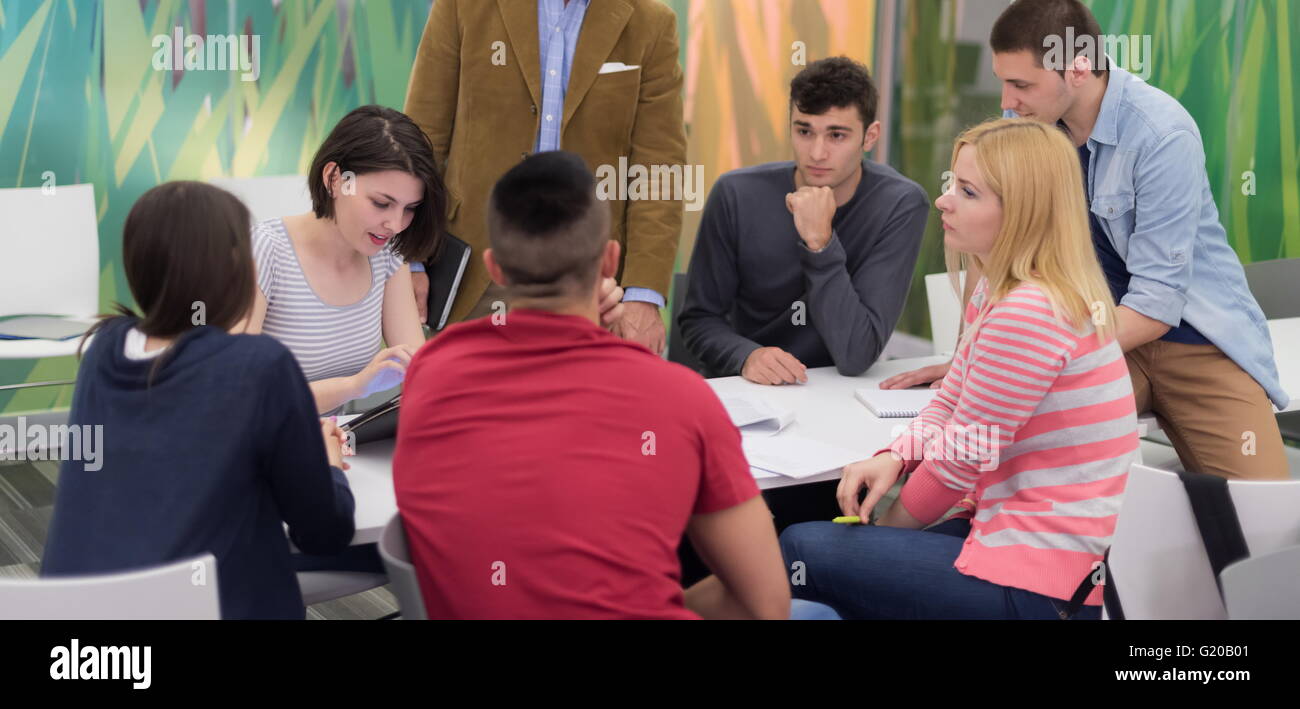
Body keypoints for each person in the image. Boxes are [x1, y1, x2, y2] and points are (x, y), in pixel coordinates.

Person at [393, 151, 818, 619]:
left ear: (495, 268)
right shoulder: (680, 397)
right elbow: (767, 604)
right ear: (611, 260)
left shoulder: (431, 372)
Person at [886, 0, 1289, 480]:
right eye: (1004, 83)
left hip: (1194, 342)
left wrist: (1038, 354)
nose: (1006, 103)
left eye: (1021, 85)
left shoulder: (1162, 135)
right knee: (1001, 453)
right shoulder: (1028, 125)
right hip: (1092, 336)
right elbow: (992, 251)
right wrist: (970, 359)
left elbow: (1158, 303)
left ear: (1077, 69)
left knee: (1264, 516)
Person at [781, 118, 1140, 619]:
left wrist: (880, 536)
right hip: (1012, 538)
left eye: (968, 192)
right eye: (953, 186)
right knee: (830, 559)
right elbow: (950, 400)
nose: (943, 201)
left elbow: (958, 463)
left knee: (802, 548)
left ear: (1021, 210)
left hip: (1047, 585)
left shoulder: (1029, 311)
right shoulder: (1004, 288)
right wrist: (896, 456)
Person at [403, 0, 686, 354]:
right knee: (474, 425)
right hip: (475, 270)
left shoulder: (650, 26)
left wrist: (644, 293)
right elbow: (422, 136)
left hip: (594, 285)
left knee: (581, 428)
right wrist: (413, 257)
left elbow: (658, 167)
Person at [42, 182, 356, 620]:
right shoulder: (259, 366)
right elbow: (323, 532)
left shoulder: (103, 349)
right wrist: (330, 463)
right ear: (236, 266)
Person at [678, 56, 930, 381]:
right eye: (804, 131)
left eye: (836, 135)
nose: (817, 153)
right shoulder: (736, 194)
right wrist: (746, 356)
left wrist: (820, 244)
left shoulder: (900, 204)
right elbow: (699, 319)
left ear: (870, 136)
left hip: (838, 397)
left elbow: (856, 354)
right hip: (745, 392)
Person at [241, 105, 442, 415]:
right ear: (335, 178)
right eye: (381, 203)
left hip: (340, 448)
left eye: (410, 208)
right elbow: (239, 393)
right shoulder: (264, 251)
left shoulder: (386, 254)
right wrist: (355, 386)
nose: (396, 224)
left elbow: (419, 371)